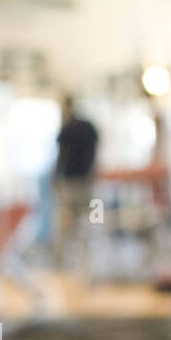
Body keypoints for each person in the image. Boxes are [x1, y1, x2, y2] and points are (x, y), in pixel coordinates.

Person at [52, 95, 99, 268]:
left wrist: (55, 179)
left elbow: (61, 156)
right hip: (88, 183)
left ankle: (61, 263)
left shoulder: (67, 128)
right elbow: (96, 152)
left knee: (65, 225)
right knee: (90, 221)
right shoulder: (89, 127)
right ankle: (89, 258)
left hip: (70, 184)